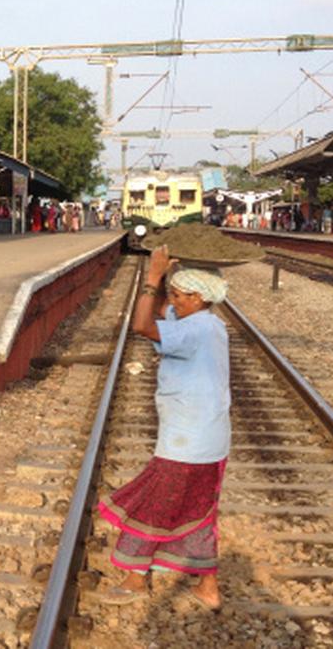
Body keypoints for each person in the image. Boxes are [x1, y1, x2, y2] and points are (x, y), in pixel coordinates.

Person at [96, 246, 231, 611]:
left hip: (187, 442)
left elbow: (141, 325)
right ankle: (208, 586)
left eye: (177, 295)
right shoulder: (205, 322)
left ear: (198, 297)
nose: (171, 301)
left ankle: (135, 578)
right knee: (198, 509)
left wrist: (153, 278)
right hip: (207, 441)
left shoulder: (196, 330)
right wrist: (165, 283)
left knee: (152, 506)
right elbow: (158, 313)